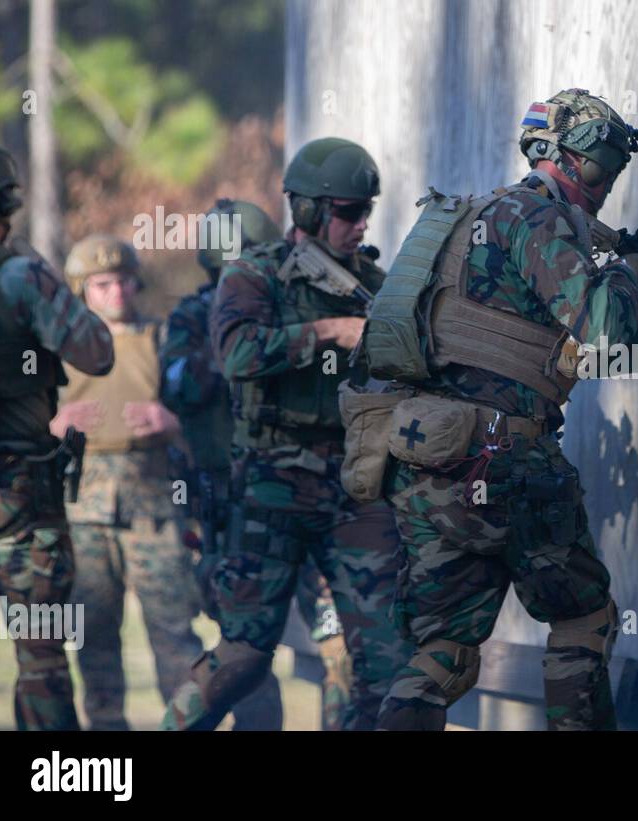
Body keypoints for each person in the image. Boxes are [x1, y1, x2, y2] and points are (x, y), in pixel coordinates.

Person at [365, 89, 638, 730]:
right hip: (505, 459)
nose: (604, 188)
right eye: (602, 170)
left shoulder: (469, 217)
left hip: (427, 455)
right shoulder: (535, 219)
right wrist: (634, 270)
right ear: (569, 159)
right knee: (582, 618)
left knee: (446, 653)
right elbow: (601, 332)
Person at [162, 137, 413, 730]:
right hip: (271, 486)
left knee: (387, 657)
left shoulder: (374, 284)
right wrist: (326, 332)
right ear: (307, 211)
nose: (360, 224)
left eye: (365, 212)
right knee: (245, 653)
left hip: (353, 487)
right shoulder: (256, 275)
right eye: (348, 211)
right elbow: (237, 355)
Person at [160, 198, 352, 730]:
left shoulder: (296, 307)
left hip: (312, 491)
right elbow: (176, 386)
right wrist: (240, 344)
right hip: (232, 503)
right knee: (245, 650)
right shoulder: (193, 315)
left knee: (340, 642)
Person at [0, 140, 114, 730]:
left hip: (14, 489)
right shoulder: (20, 276)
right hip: (18, 493)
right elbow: (98, 352)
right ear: (4, 202)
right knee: (40, 656)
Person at [56, 233, 204, 730]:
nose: (116, 293)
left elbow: (208, 414)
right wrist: (53, 425)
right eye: (102, 284)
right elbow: (14, 423)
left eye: (123, 282)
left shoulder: (162, 339)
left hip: (154, 505)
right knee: (95, 638)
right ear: (83, 290)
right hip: (82, 510)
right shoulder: (55, 349)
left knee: (174, 635)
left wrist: (172, 421)